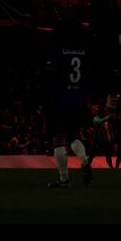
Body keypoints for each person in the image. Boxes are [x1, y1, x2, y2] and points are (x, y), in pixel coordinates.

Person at [47, 38, 93, 188]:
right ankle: (84, 161)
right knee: (73, 136)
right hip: (79, 97)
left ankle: (64, 179)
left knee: (58, 139)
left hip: (63, 98)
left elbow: (52, 71)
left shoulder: (59, 48)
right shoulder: (83, 49)